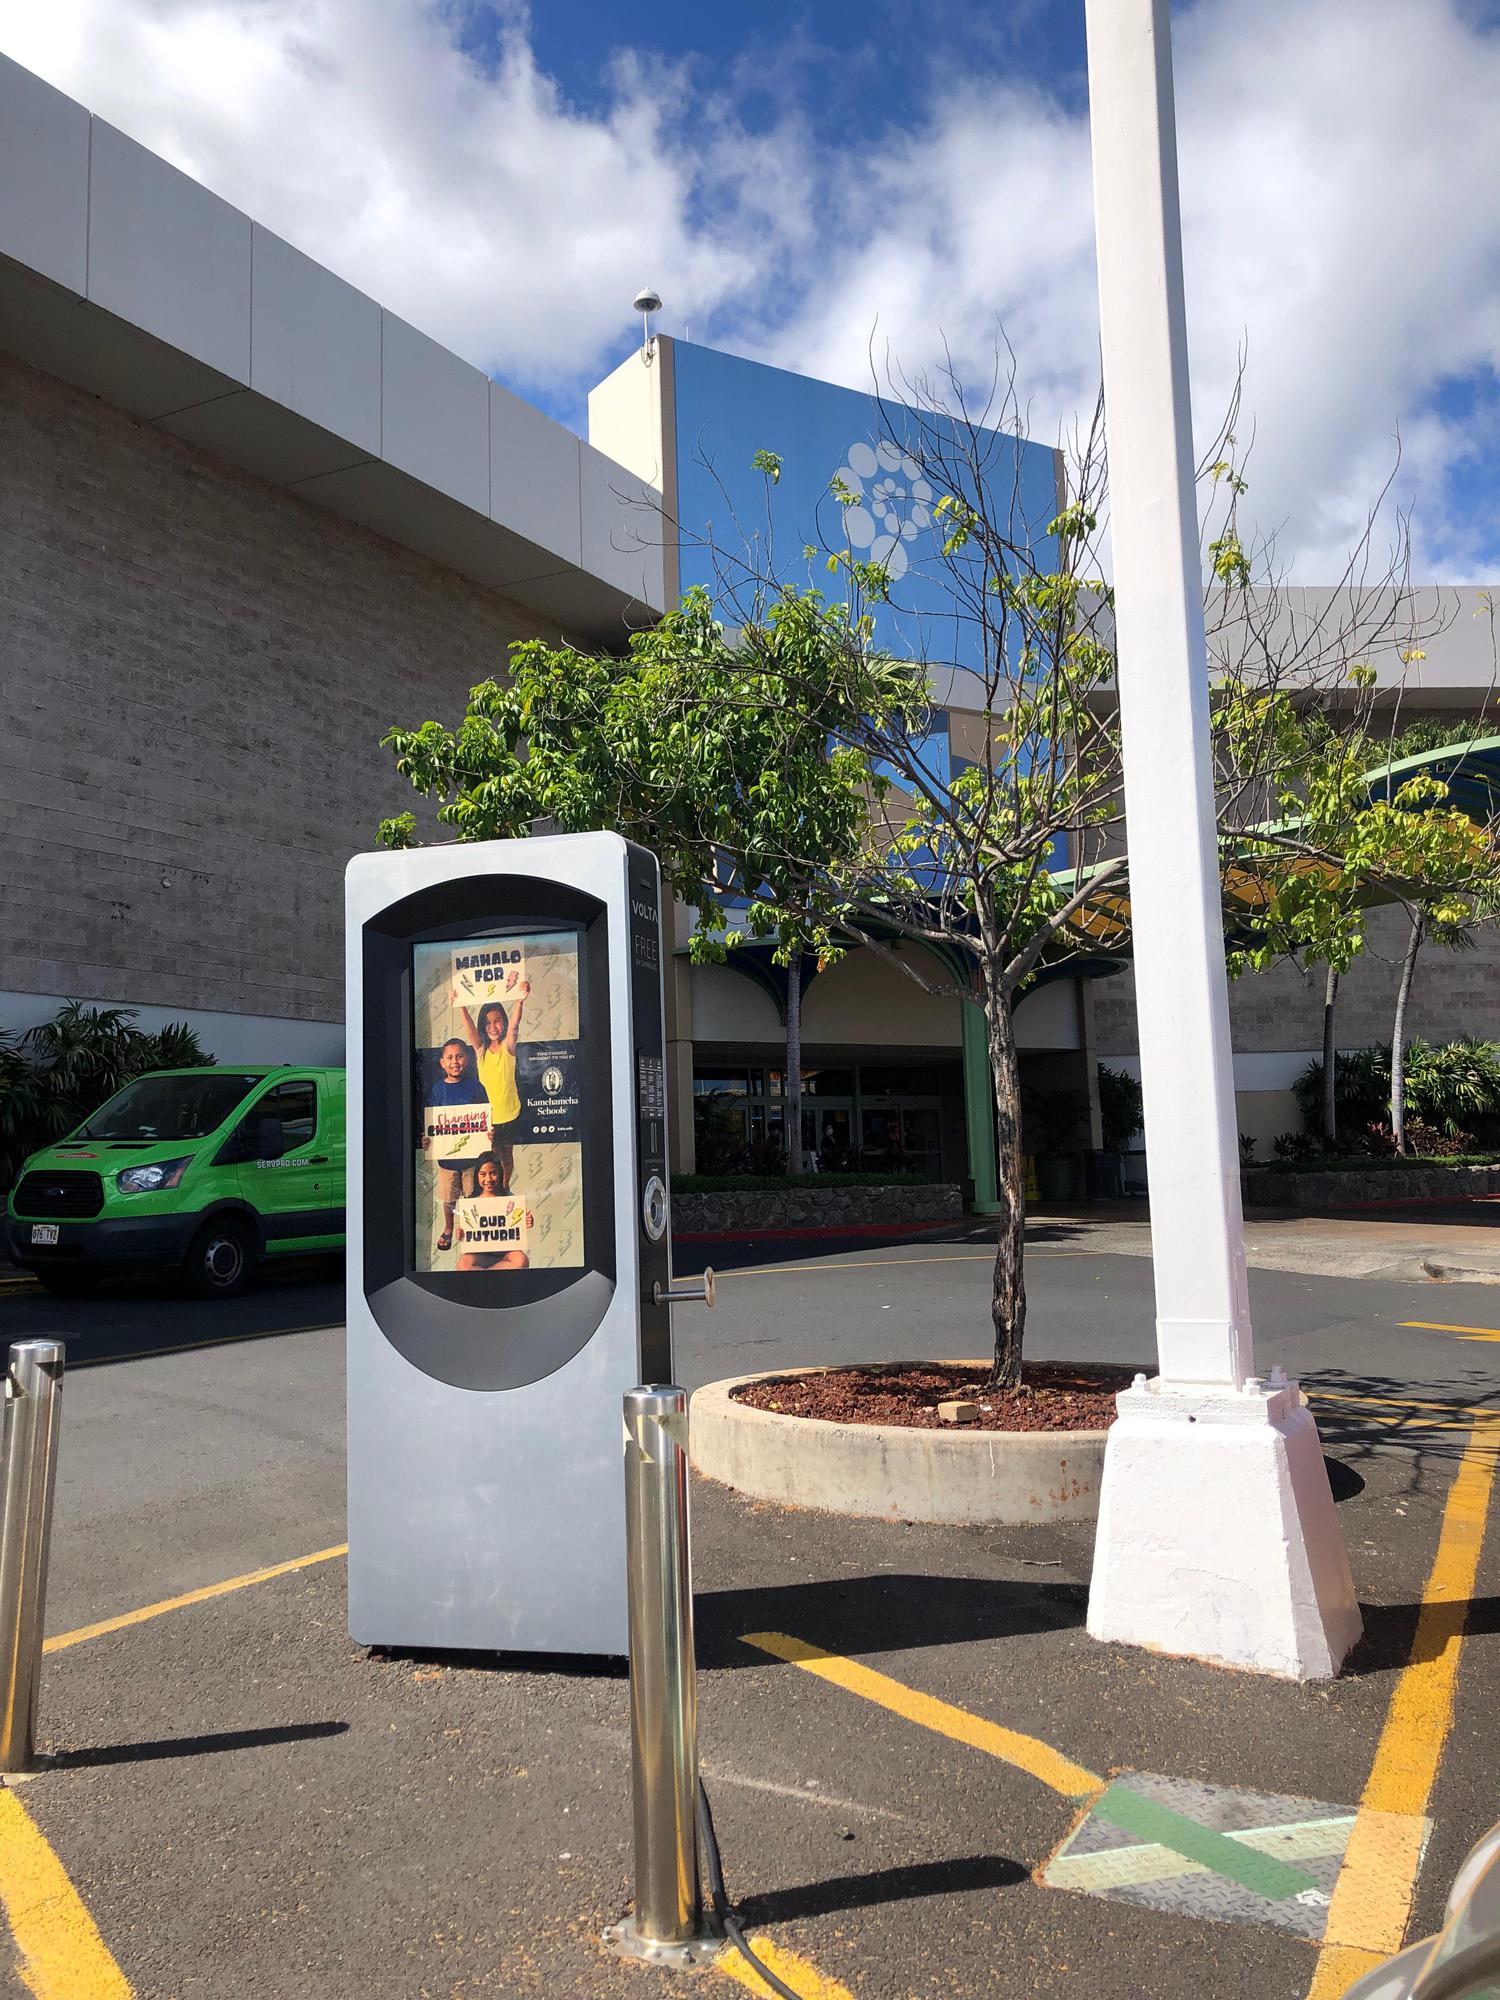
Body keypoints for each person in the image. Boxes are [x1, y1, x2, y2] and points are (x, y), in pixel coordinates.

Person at [458, 982, 529, 1190]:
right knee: (491, 1157)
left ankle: (505, 1186)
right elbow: (470, 1032)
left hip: (510, 1114)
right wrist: (461, 1006)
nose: (493, 1027)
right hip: (489, 1118)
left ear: (503, 1023)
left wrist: (519, 1002)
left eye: (497, 1021)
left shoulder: (508, 1047)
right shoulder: (481, 1052)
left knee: (507, 1156)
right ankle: (491, 1191)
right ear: (483, 1026)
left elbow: (515, 1027)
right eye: (488, 1023)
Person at [422, 1038, 487, 1254]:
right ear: (442, 1062)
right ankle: (449, 1227)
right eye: (449, 1057)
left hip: (472, 1159)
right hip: (447, 1160)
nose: (454, 1061)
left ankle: (471, 1230)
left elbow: (486, 1117)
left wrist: (489, 1133)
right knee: (448, 1197)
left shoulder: (476, 1087)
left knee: (472, 1194)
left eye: (459, 1056)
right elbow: (431, 1122)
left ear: (466, 1059)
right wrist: (426, 1138)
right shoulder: (437, 1090)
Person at [455, 1153, 531, 1270]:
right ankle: (493, 1274)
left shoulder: (509, 1198)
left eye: (493, 1173)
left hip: (505, 1252)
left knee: (521, 1260)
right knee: (463, 1264)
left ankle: (489, 1273)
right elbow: (466, 1229)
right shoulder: (471, 1201)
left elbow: (517, 1222)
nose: (488, 1179)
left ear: (500, 1174)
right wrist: (461, 1233)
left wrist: (526, 1221)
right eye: (483, 1174)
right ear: (477, 1176)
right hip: (479, 1253)